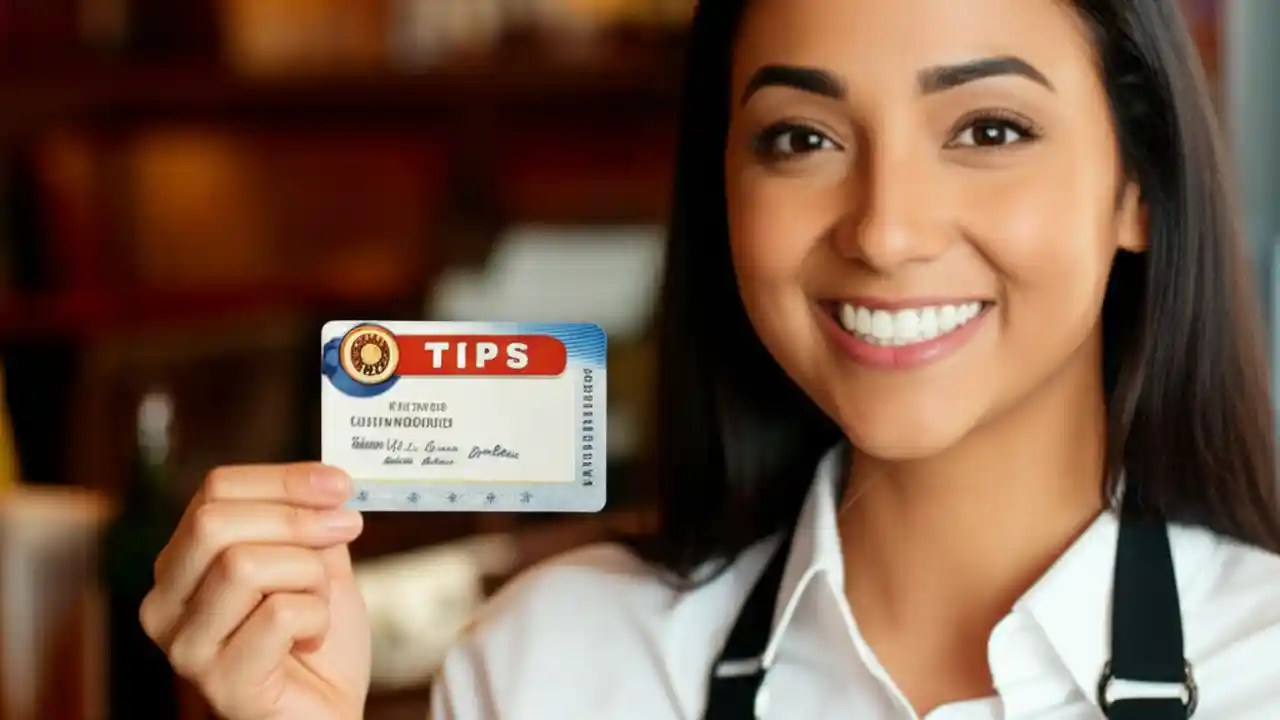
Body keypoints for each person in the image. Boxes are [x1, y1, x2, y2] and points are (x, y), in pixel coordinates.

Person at [139, 0, 1280, 718]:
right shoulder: (550, 668)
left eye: (988, 130)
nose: (886, 230)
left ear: (1138, 187)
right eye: (802, 138)